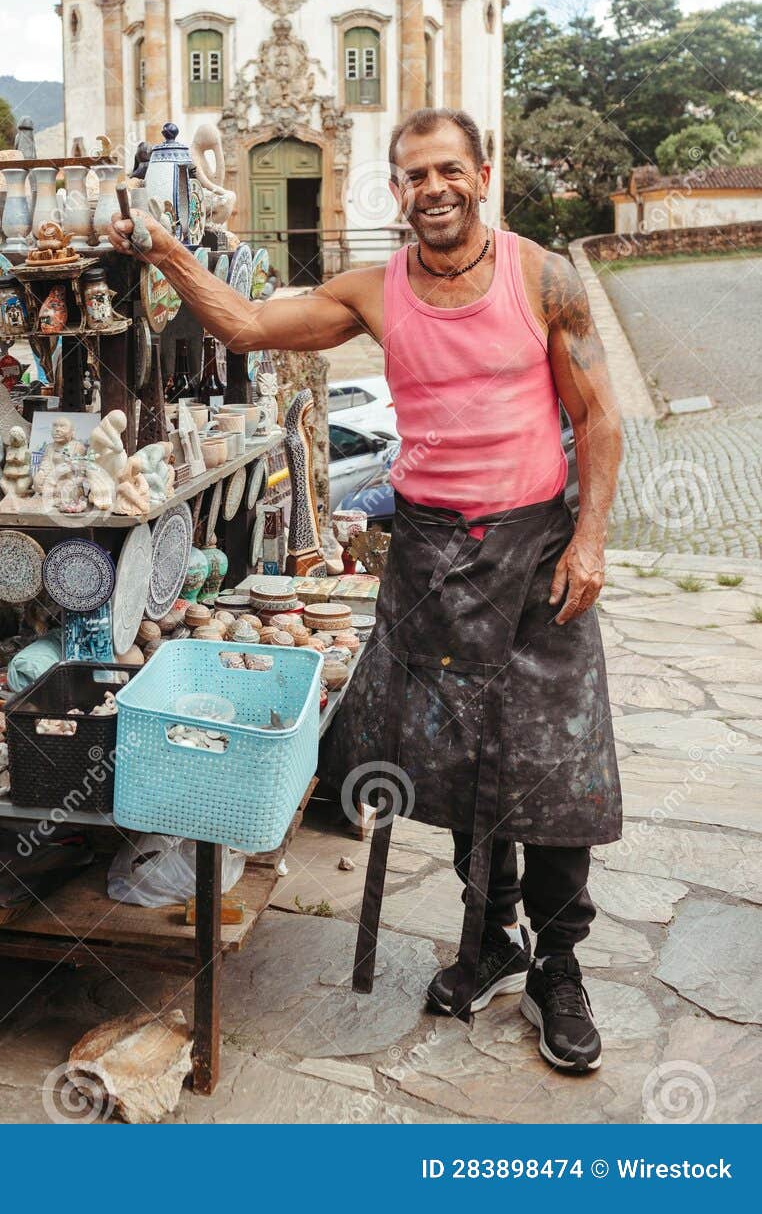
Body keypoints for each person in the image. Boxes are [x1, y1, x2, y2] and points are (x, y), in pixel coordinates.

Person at [109, 106, 622, 1076]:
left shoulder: (541, 276)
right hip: (430, 559)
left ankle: (558, 962)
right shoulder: (372, 290)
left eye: (446, 170)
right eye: (412, 174)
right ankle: (489, 940)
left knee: (558, 768)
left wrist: (589, 538)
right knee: (470, 764)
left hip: (539, 553)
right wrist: (168, 252)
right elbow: (252, 325)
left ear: (482, 171)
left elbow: (597, 418)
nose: (431, 188)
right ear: (396, 189)